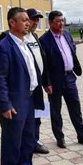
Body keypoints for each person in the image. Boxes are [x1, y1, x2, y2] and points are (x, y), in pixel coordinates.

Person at [0, 7, 45, 165]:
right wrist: (5, 104)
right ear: (11, 23)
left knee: (28, 141)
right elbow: (0, 78)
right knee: (12, 145)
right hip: (14, 102)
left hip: (29, 98)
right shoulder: (4, 46)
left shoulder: (26, 43)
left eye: (28, 20)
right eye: (23, 20)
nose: (28, 23)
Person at [40, 10, 83, 149]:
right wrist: (46, 83)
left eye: (62, 20)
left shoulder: (67, 34)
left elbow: (72, 50)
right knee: (56, 111)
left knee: (75, 109)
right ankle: (60, 138)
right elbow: (44, 64)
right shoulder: (44, 40)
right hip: (54, 81)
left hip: (70, 77)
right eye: (57, 21)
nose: (61, 23)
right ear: (50, 22)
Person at [25, 8, 51, 154]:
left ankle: (35, 140)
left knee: (38, 114)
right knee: (28, 115)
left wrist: (47, 82)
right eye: (33, 19)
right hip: (25, 86)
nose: (36, 22)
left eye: (37, 19)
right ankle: (29, 141)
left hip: (38, 85)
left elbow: (42, 60)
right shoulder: (19, 37)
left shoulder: (34, 36)